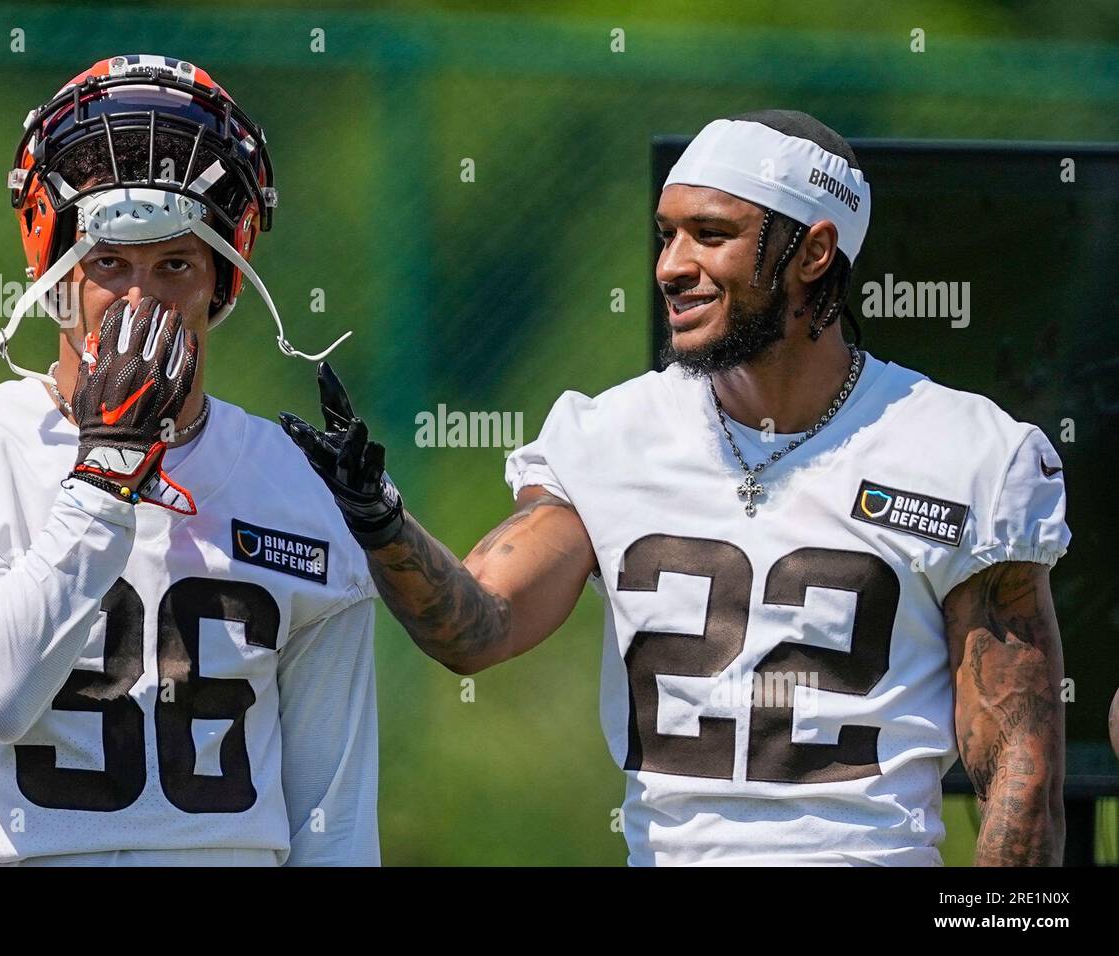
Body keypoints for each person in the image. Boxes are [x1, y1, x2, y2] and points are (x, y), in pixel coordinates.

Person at [282, 110, 1070, 866]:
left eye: (712, 235)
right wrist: (381, 519)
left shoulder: (961, 450)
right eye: (667, 236)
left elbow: (1019, 768)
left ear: (814, 252)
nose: (671, 267)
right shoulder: (613, 435)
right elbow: (479, 628)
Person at [0, 54, 378, 866]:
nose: (141, 298)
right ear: (57, 272)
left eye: (174, 264)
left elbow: (334, 822)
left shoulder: (297, 484)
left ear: (223, 280)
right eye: (109, 263)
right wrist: (106, 474)